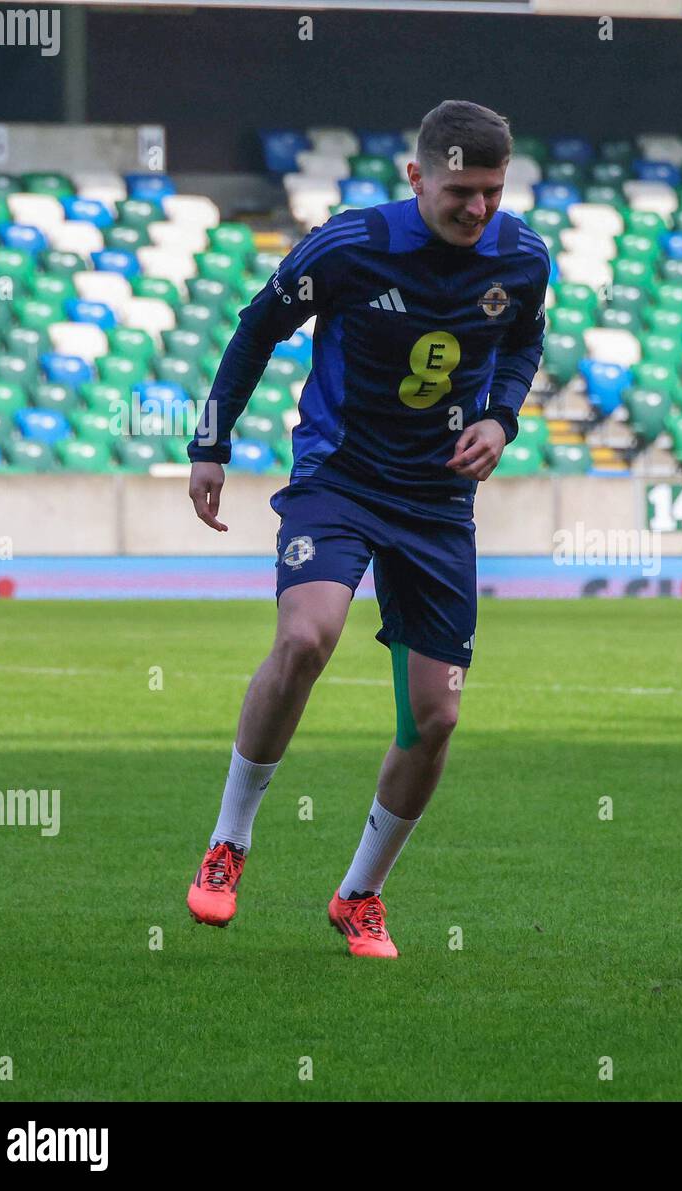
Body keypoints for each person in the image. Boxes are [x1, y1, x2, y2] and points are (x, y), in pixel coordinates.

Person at [184, 100, 549, 958]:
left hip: (437, 502)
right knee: (308, 635)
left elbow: (525, 343)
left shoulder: (523, 256)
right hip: (339, 478)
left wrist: (502, 419)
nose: (478, 209)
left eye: (492, 191)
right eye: (461, 190)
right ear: (417, 176)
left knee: (435, 716)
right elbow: (256, 329)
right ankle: (231, 838)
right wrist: (211, 441)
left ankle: (360, 895)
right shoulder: (349, 246)